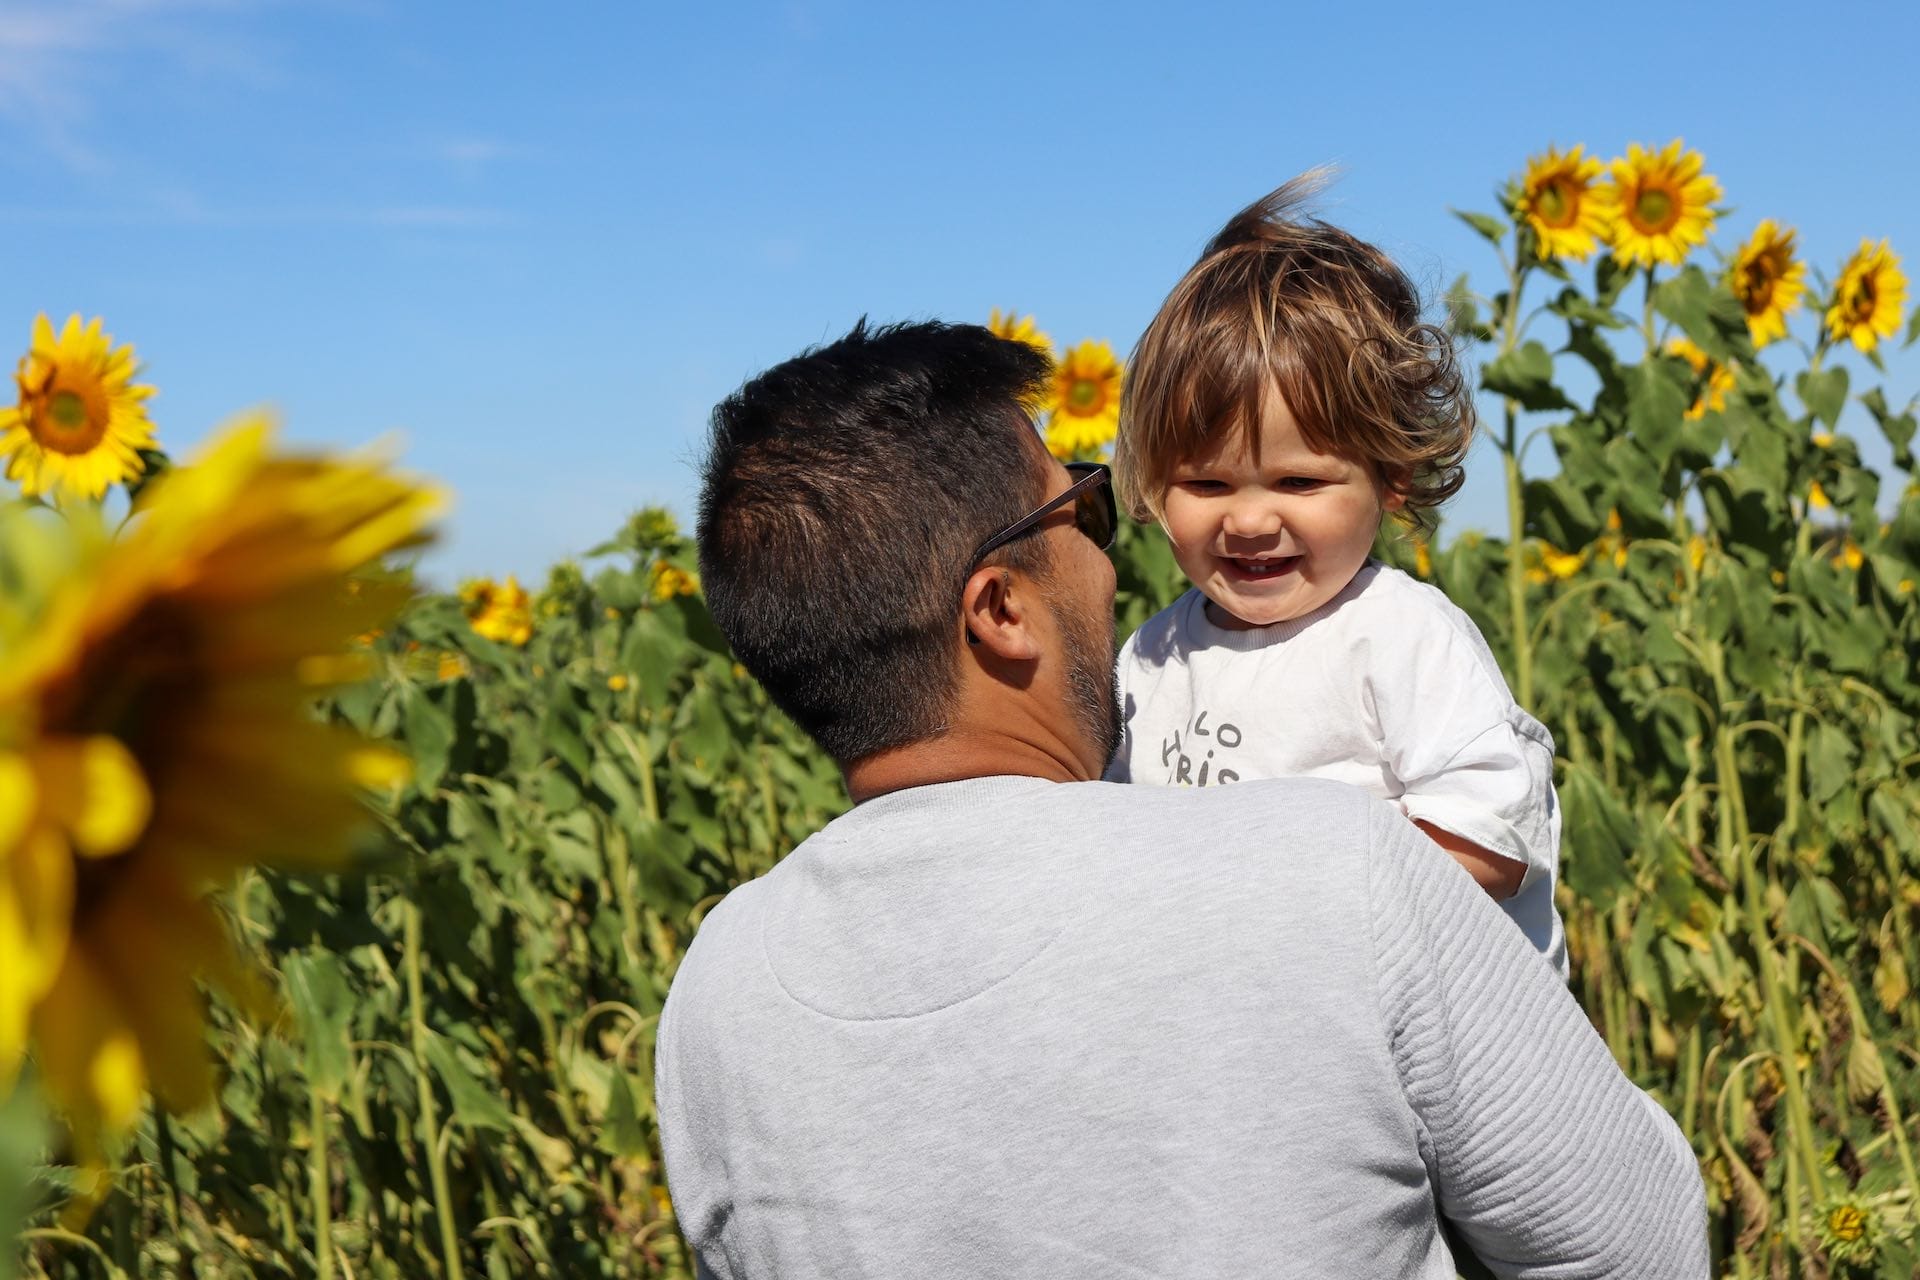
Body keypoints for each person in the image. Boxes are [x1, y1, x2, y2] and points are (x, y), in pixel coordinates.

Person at [655, 318, 1707, 1278]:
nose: (1117, 566)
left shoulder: (714, 994)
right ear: (1002, 608)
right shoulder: (1337, 870)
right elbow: (1640, 1242)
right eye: (1089, 509)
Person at [1108, 173, 1567, 977]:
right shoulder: (1151, 656)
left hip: (1437, 1048)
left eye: (1299, 483)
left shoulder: (1397, 637)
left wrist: (1296, 907)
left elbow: (1491, 840)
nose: (1248, 521)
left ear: (1390, 478)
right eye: (1206, 484)